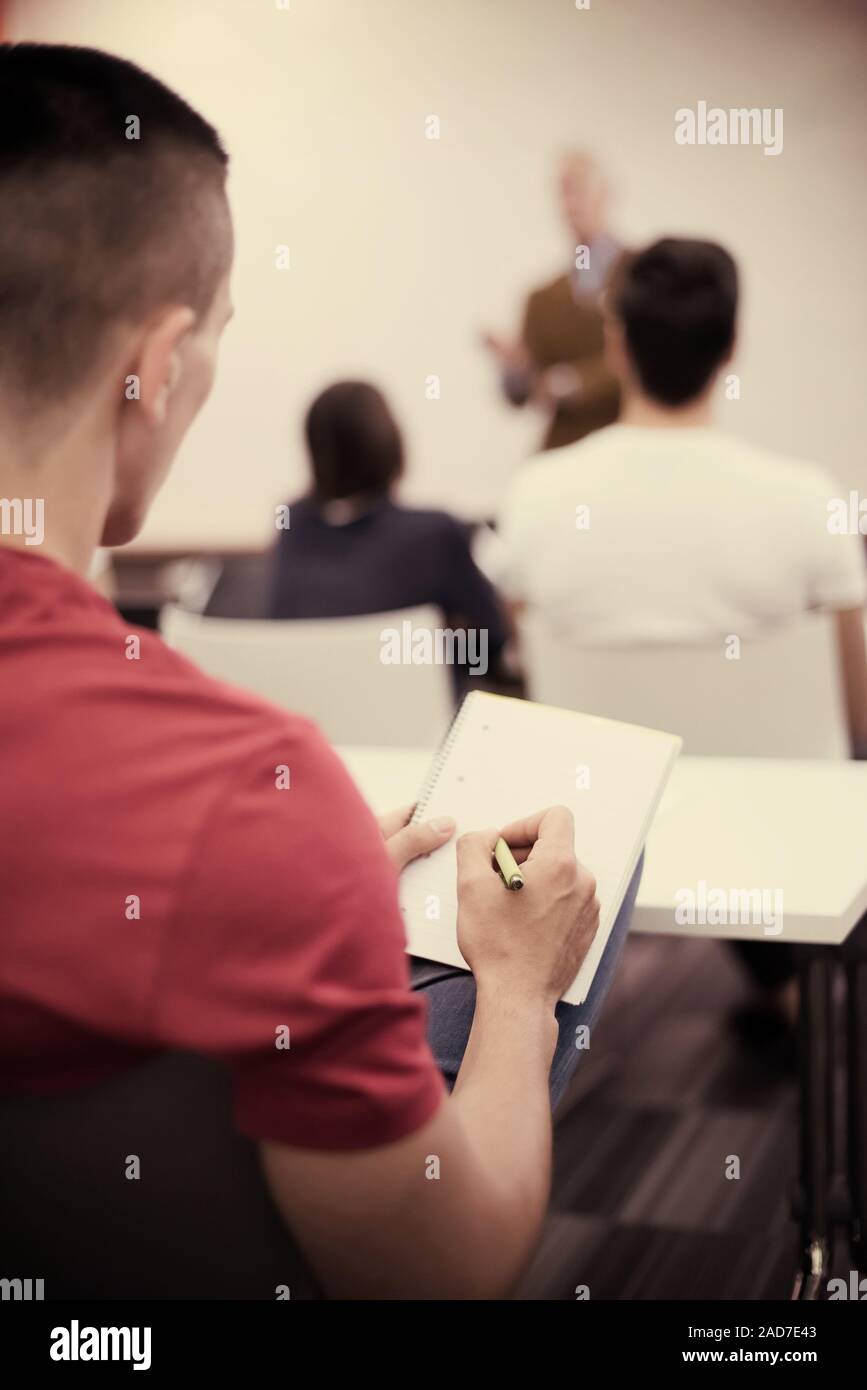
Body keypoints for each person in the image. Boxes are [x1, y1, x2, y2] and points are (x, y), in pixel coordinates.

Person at [0, 42, 638, 1300]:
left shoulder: (255, 791)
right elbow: (442, 1276)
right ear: (161, 361)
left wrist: (307, 869)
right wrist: (512, 987)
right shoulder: (246, 789)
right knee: (535, 909)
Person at [497, 236, 867, 1032]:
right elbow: (854, 711)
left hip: (602, 822)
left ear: (615, 343)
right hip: (780, 835)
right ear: (731, 346)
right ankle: (813, 996)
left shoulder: (536, 495)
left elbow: (527, 668)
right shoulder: (808, 501)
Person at [269, 380, 507, 683]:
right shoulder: (435, 532)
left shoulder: (292, 522)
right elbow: (490, 646)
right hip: (419, 721)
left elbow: (280, 630)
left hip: (312, 717)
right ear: (390, 442)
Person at [484, 151, 621, 451]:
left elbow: (655, 356)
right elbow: (521, 397)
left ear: (606, 192)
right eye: (562, 192)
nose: (570, 203)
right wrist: (517, 367)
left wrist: (572, 382)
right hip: (564, 450)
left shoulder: (642, 274)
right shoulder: (541, 298)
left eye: (578, 188)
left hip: (626, 443)